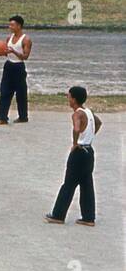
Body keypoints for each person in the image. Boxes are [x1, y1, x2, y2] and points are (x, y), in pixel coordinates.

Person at [44, 86, 102, 226]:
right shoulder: (88, 111)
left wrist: (75, 142)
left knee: (68, 184)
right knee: (87, 184)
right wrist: (89, 136)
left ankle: (58, 215)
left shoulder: (77, 114)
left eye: (69, 97)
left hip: (79, 152)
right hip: (89, 152)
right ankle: (89, 217)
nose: (68, 99)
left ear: (74, 99)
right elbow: (99, 123)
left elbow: (76, 128)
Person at [0, 14, 32, 125]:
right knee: (4, 91)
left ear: (19, 26)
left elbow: (25, 56)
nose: (10, 27)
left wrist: (14, 51)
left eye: (12, 25)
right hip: (9, 66)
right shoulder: (9, 38)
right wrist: (2, 52)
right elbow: (6, 53)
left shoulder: (26, 39)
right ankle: (2, 118)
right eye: (9, 25)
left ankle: (23, 116)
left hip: (19, 67)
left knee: (21, 93)